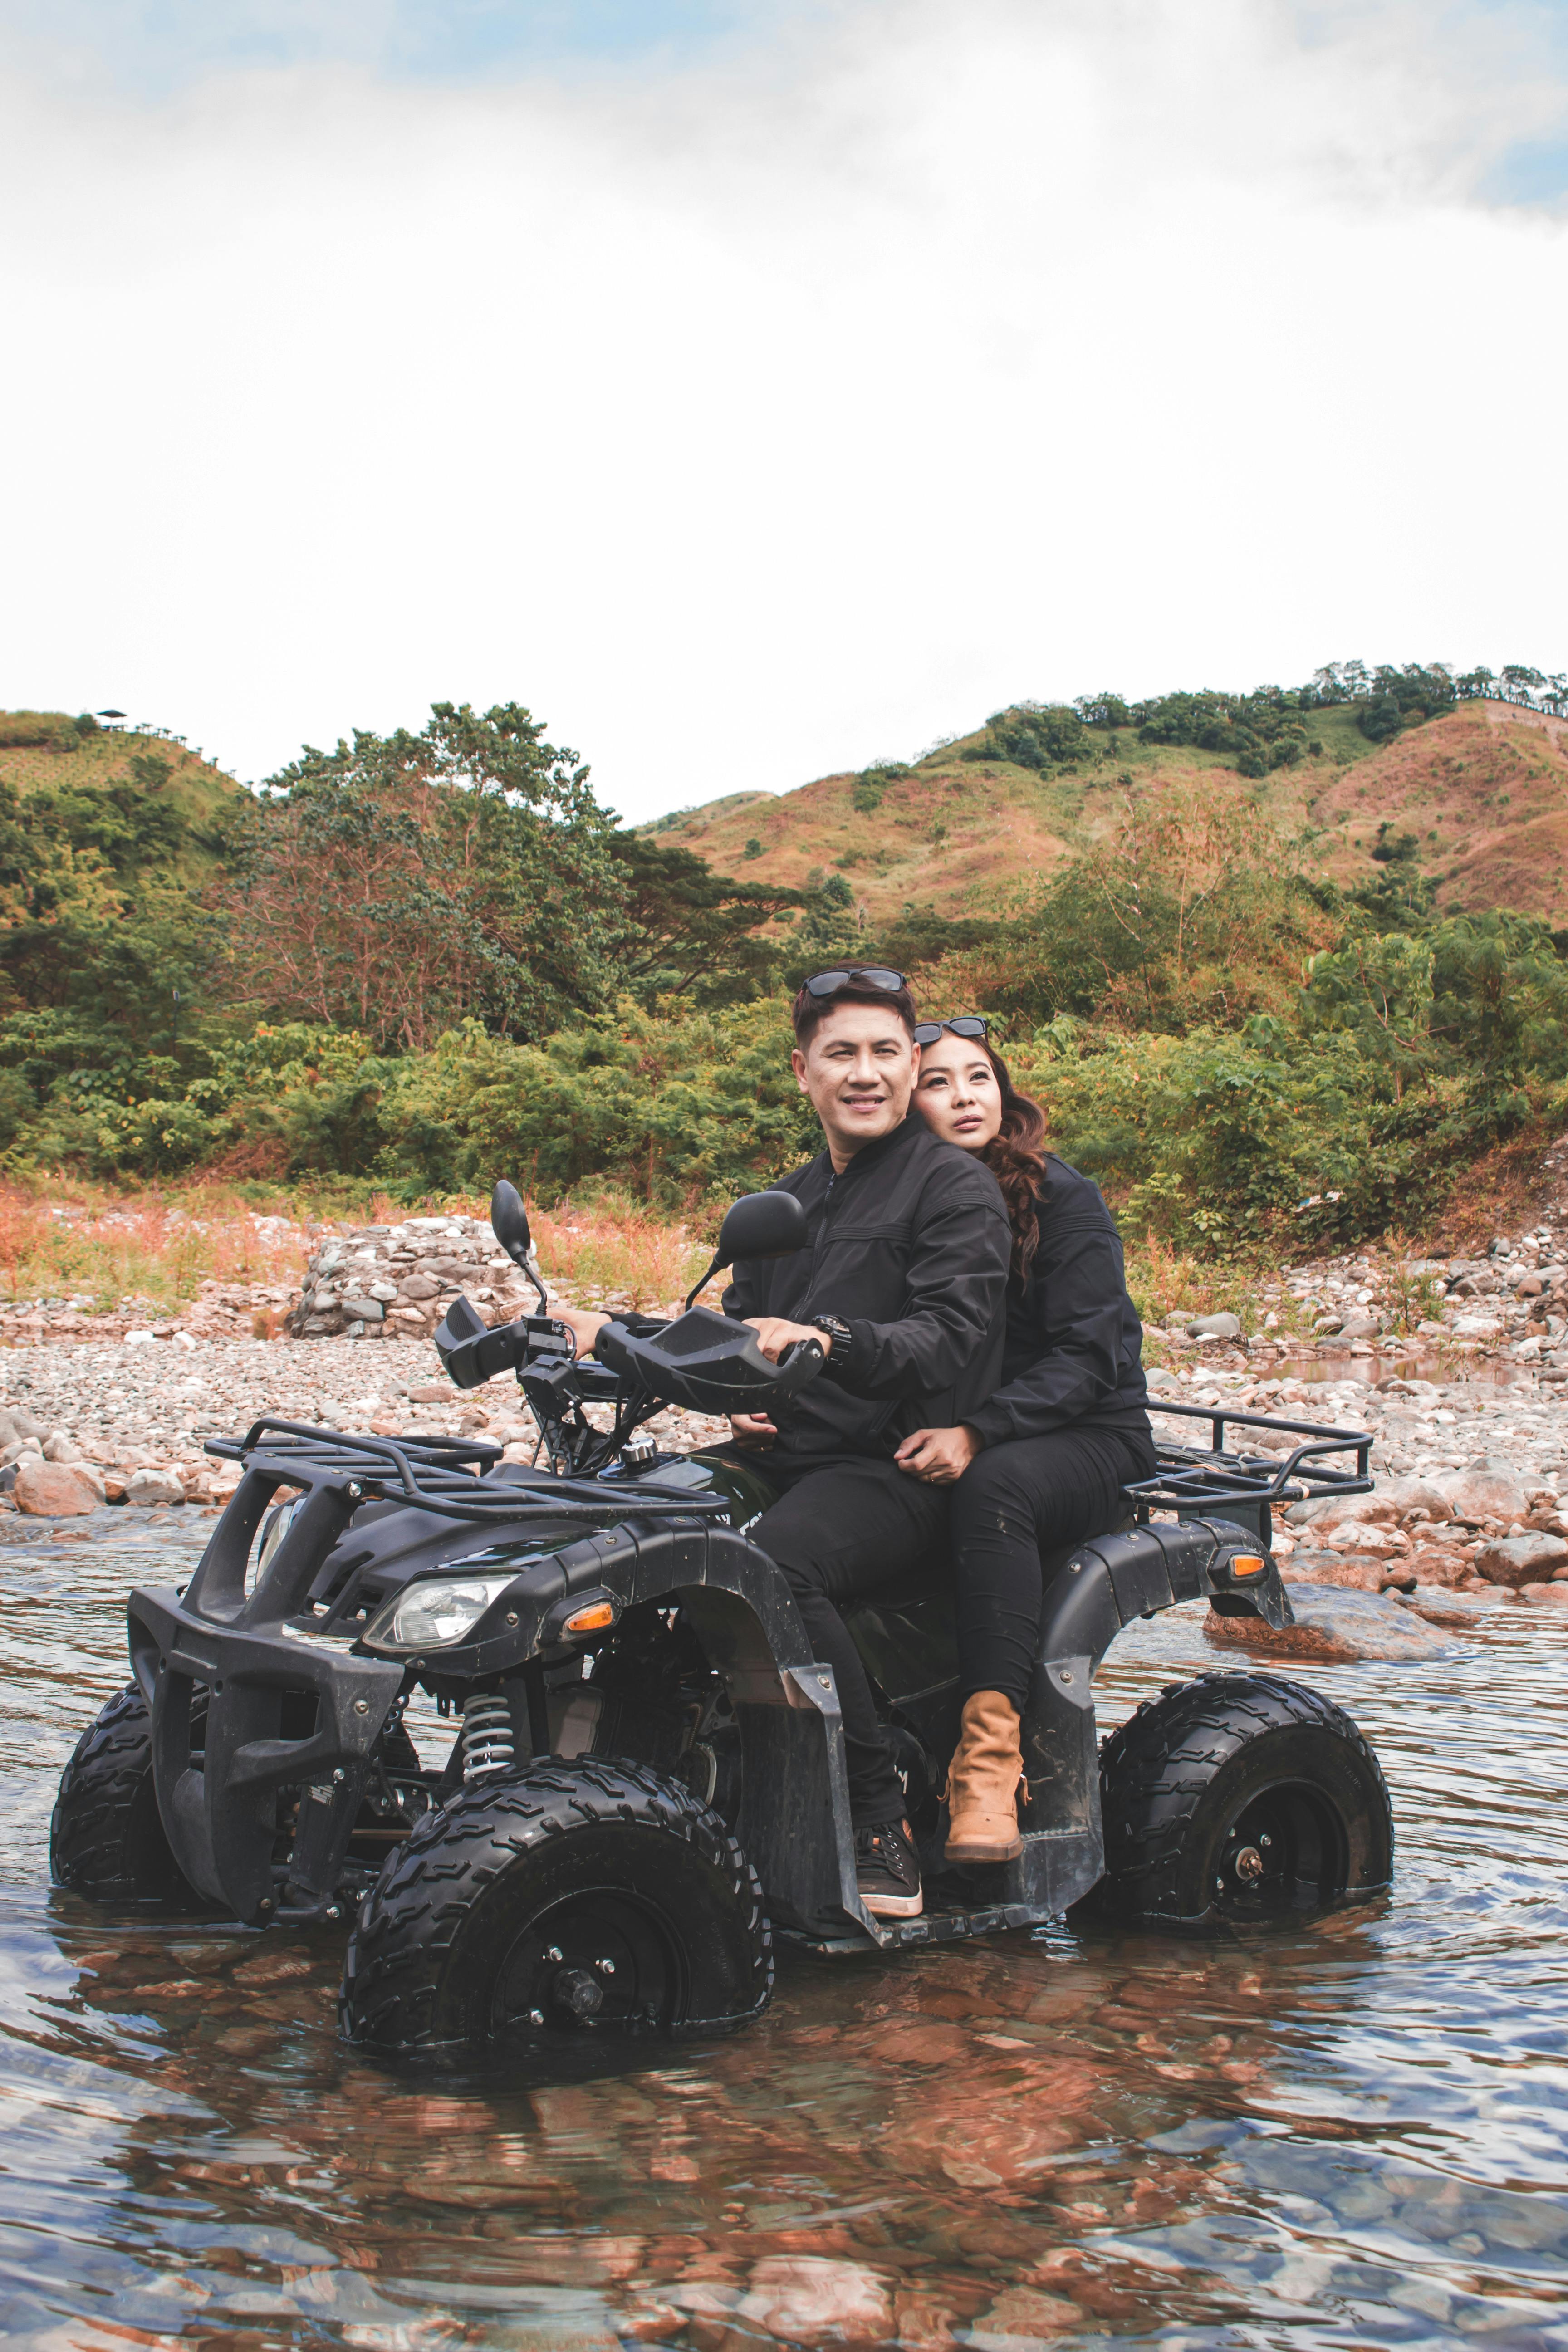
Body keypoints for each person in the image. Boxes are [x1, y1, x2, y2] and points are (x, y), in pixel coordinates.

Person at [554, 967, 1012, 1921]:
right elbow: (732, 1329)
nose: (866, 1074)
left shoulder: (954, 1190)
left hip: (894, 1467)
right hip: (787, 1455)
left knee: (774, 1566)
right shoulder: (788, 1203)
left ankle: (874, 1808)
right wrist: (610, 1333)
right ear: (804, 1072)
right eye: (842, 1054)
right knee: (625, 1521)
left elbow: (950, 1335)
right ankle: (607, 1760)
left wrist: (830, 1343)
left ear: (911, 1064)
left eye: (887, 1053)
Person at [897, 1016, 1155, 1866]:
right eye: (938, 1082)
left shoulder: (1060, 1196)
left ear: (1004, 1094)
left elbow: (1092, 1355)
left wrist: (979, 1429)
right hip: (976, 1421)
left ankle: (988, 1763)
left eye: (979, 1078)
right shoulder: (898, 1194)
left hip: (1089, 1434)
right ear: (906, 1100)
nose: (964, 1096)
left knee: (993, 1488)